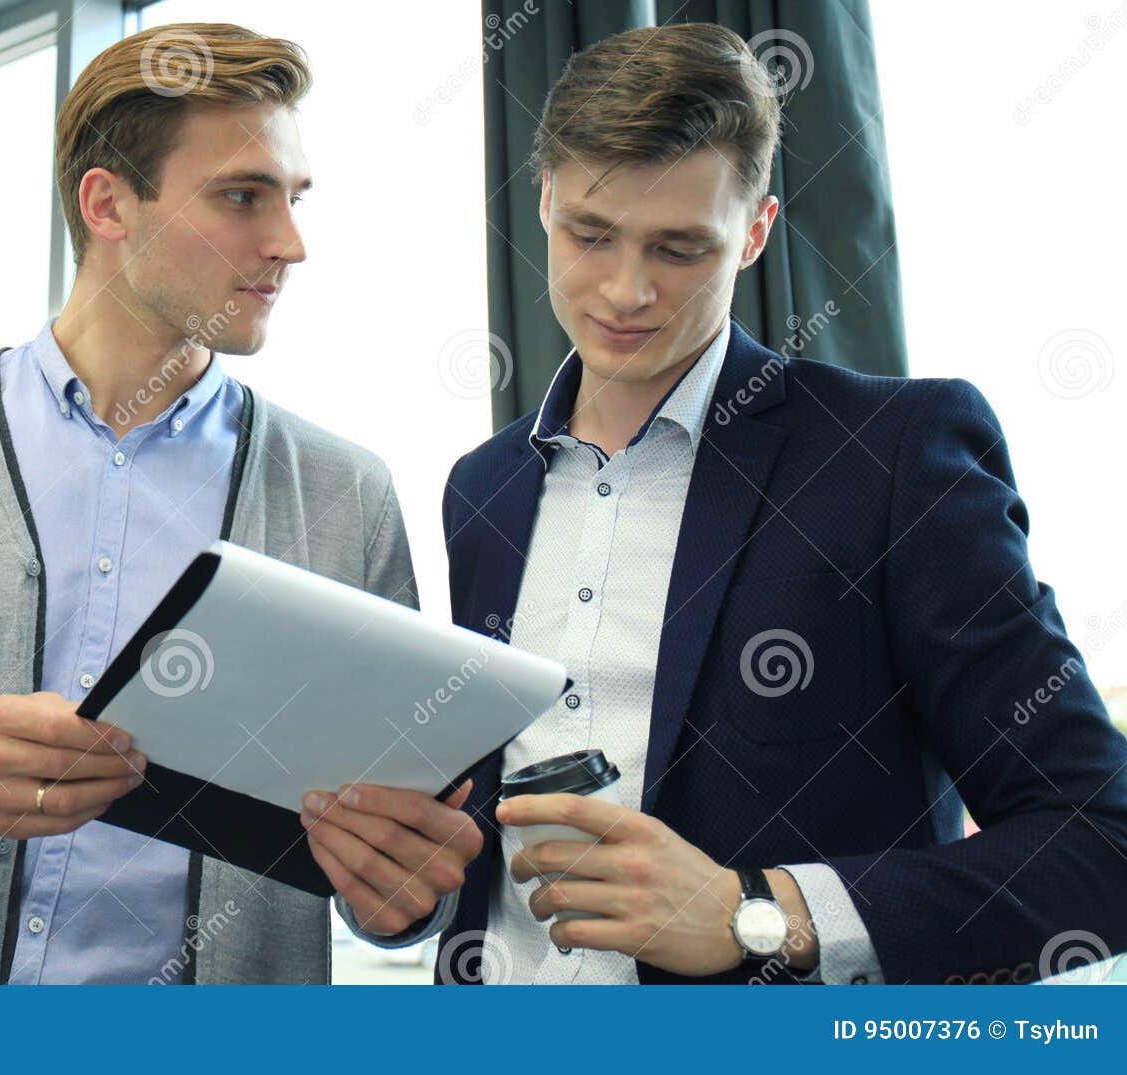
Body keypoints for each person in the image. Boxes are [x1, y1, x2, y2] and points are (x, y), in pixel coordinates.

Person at [0, 22, 479, 986]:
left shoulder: (344, 494)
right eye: (243, 196)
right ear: (108, 204)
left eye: (293, 197)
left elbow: (409, 865)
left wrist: (406, 893)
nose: (290, 242)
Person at [434, 22, 1127, 985]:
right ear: (543, 198)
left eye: (680, 248)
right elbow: (484, 832)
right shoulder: (483, 487)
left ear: (755, 232)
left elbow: (1100, 838)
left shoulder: (895, 457)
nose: (625, 290)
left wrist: (761, 911)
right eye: (590, 234)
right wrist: (408, 890)